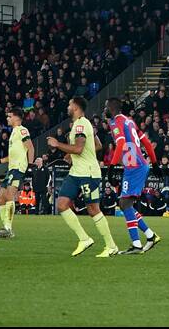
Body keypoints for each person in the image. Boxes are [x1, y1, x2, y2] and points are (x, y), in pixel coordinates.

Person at [45, 97, 119, 257]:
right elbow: (97, 145)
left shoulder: (80, 125)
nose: (68, 106)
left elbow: (78, 149)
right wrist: (72, 155)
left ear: (76, 107)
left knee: (93, 209)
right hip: (76, 172)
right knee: (62, 204)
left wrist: (58, 145)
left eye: (70, 104)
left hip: (88, 173)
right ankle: (84, 239)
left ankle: (111, 245)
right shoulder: (85, 125)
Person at [104, 98, 161, 255]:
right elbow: (147, 144)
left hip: (134, 166)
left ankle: (136, 245)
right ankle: (150, 236)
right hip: (137, 165)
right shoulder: (130, 121)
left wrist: (111, 167)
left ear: (112, 108)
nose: (104, 111)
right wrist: (154, 164)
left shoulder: (115, 122)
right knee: (125, 204)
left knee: (124, 202)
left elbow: (121, 143)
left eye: (106, 107)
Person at [0, 108, 34, 239]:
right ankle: (6, 228)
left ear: (16, 118)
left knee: (10, 195)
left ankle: (8, 228)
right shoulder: (13, 133)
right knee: (0, 199)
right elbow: (13, 155)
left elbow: (31, 147)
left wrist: (31, 164)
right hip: (11, 169)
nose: (7, 118)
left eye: (9, 116)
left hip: (18, 168)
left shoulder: (22, 130)